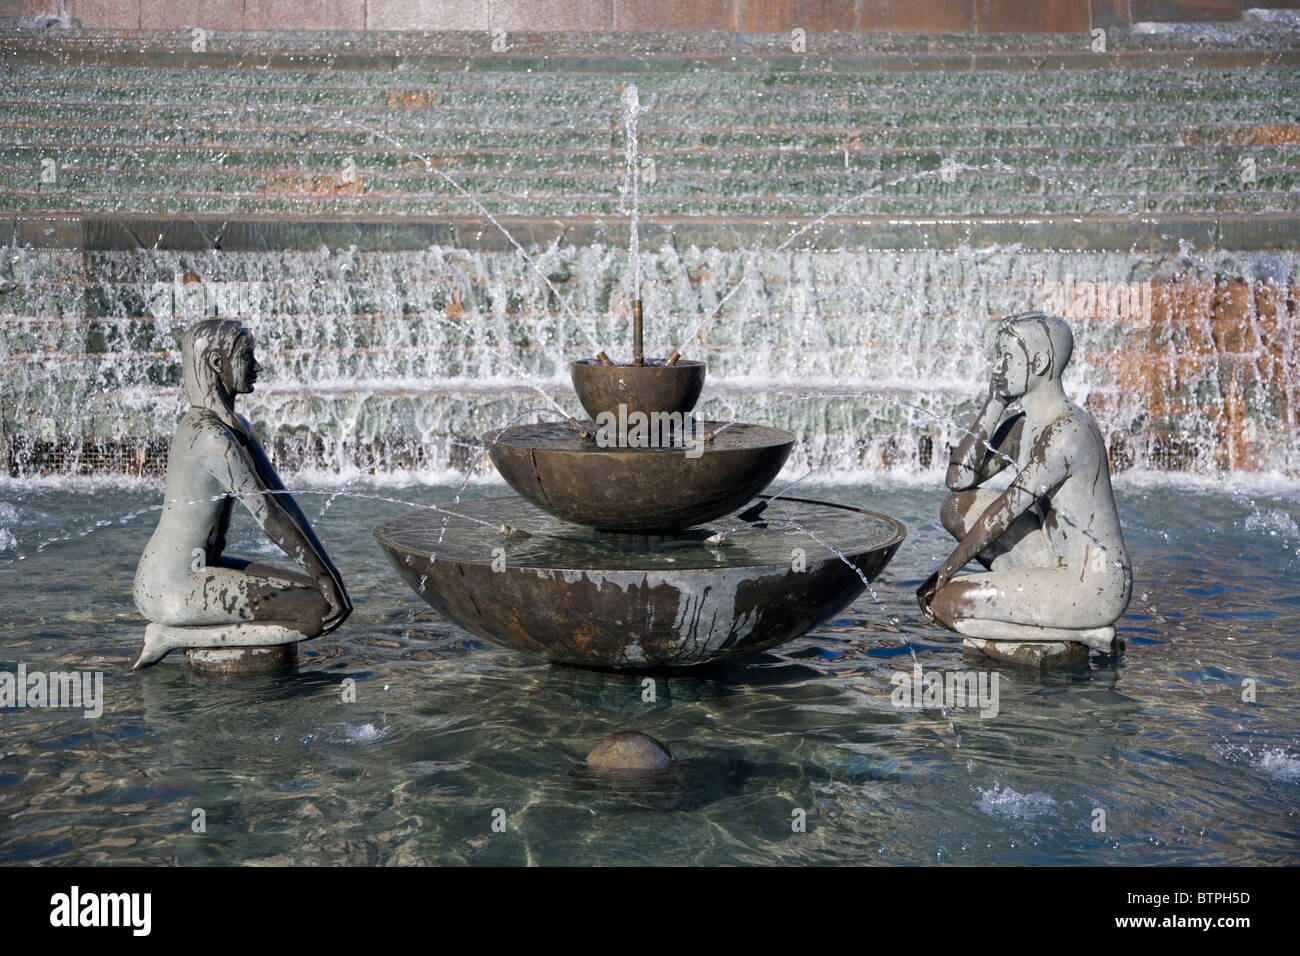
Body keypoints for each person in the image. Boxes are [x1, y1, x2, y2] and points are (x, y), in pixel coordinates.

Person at [131, 319, 350, 668]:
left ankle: (175, 632)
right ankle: (171, 636)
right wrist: (325, 579)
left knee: (319, 592)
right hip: (171, 585)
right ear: (218, 364)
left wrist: (328, 573)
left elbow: (283, 502)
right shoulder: (212, 439)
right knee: (319, 610)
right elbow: (270, 517)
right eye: (247, 357)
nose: (258, 366)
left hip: (197, 569)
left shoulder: (232, 428)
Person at [916, 312, 1131, 650]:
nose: (997, 368)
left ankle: (1081, 632)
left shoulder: (1066, 432)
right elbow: (958, 480)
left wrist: (944, 571)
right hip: (1053, 557)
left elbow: (1004, 512)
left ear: (1041, 362)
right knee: (956, 509)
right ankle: (1037, 606)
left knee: (944, 603)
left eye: (1007, 357)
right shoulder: (1024, 424)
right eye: (997, 357)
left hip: (1095, 583)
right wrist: (995, 402)